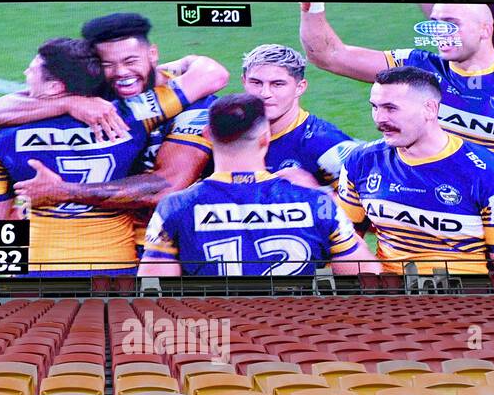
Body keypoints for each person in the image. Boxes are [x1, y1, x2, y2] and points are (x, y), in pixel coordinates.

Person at [0, 38, 198, 274]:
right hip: (116, 272)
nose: (26, 72)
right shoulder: (132, 118)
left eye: (33, 69)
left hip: (37, 273)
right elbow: (210, 76)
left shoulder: (1, 143)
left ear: (54, 87)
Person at [3, 13, 225, 234]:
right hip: (103, 242)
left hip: (164, 240)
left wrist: (63, 191)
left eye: (131, 61)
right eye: (107, 64)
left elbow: (167, 187)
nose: (121, 73)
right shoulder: (89, 96)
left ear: (152, 54)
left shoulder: (195, 104)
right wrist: (68, 104)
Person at [139, 94, 377, 278]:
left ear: (207, 134)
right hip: (295, 336)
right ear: (265, 137)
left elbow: (156, 294)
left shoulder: (175, 207)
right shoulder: (319, 205)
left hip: (217, 334)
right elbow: (368, 278)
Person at [335, 66, 494, 276]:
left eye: (391, 108)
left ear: (430, 109)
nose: (379, 119)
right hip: (389, 294)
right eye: (375, 107)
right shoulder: (361, 162)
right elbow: (343, 241)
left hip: (466, 297)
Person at [300, 2, 494, 169]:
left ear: (484, 30)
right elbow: (328, 55)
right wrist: (312, 7)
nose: (440, 33)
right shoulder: (417, 65)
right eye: (435, 24)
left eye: (452, 25)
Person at [239, 43, 359, 189]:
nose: (265, 93)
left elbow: (367, 203)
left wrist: (314, 191)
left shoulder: (326, 143)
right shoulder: (227, 133)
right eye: (256, 83)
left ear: (299, 87)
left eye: (277, 84)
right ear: (244, 82)